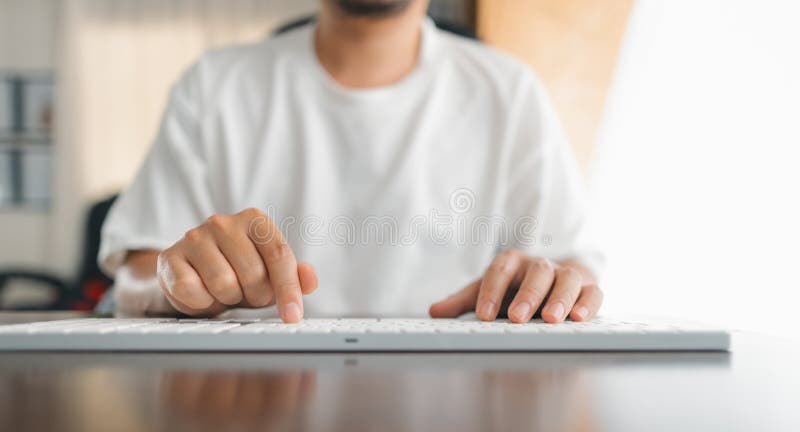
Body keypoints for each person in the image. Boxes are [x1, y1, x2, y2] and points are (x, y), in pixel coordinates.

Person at [99, 0, 604, 323]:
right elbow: (135, 276)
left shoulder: (510, 93)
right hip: (251, 399)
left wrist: (551, 285)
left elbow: (572, 267)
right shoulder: (212, 87)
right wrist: (175, 282)